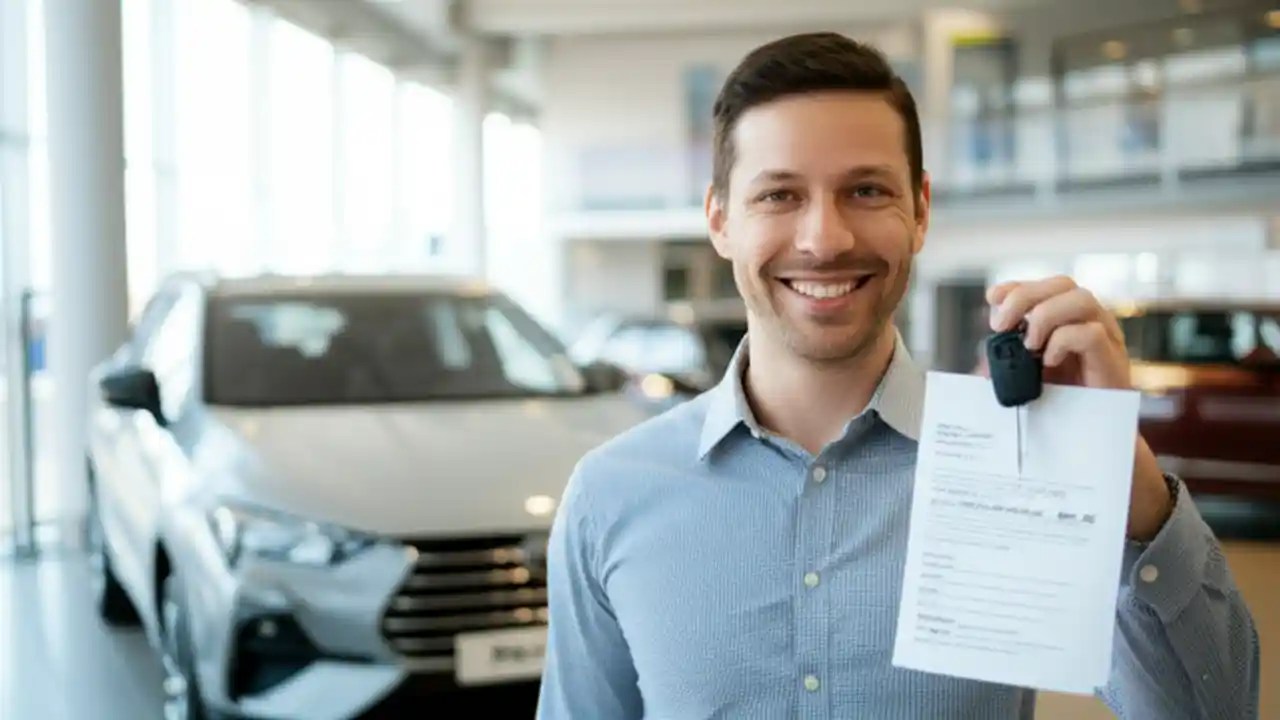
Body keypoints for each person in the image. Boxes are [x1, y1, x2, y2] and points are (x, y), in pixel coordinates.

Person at [536, 32, 1259, 719]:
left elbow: (1212, 709)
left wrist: (1120, 474)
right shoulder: (612, 495)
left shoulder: (1018, 467)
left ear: (920, 211)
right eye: (779, 195)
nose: (825, 239)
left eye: (866, 191)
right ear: (720, 220)